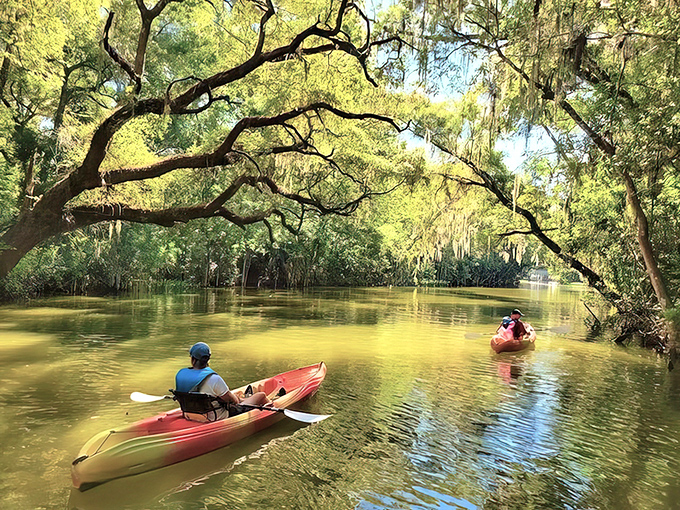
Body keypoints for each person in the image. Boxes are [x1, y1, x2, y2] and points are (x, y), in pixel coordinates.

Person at [175, 342, 271, 422]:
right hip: (214, 417)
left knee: (236, 396)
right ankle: (270, 405)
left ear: (192, 359)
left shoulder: (180, 375)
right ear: (208, 359)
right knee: (261, 395)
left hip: (189, 414)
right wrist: (237, 399)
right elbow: (233, 401)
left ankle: (246, 399)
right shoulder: (214, 379)